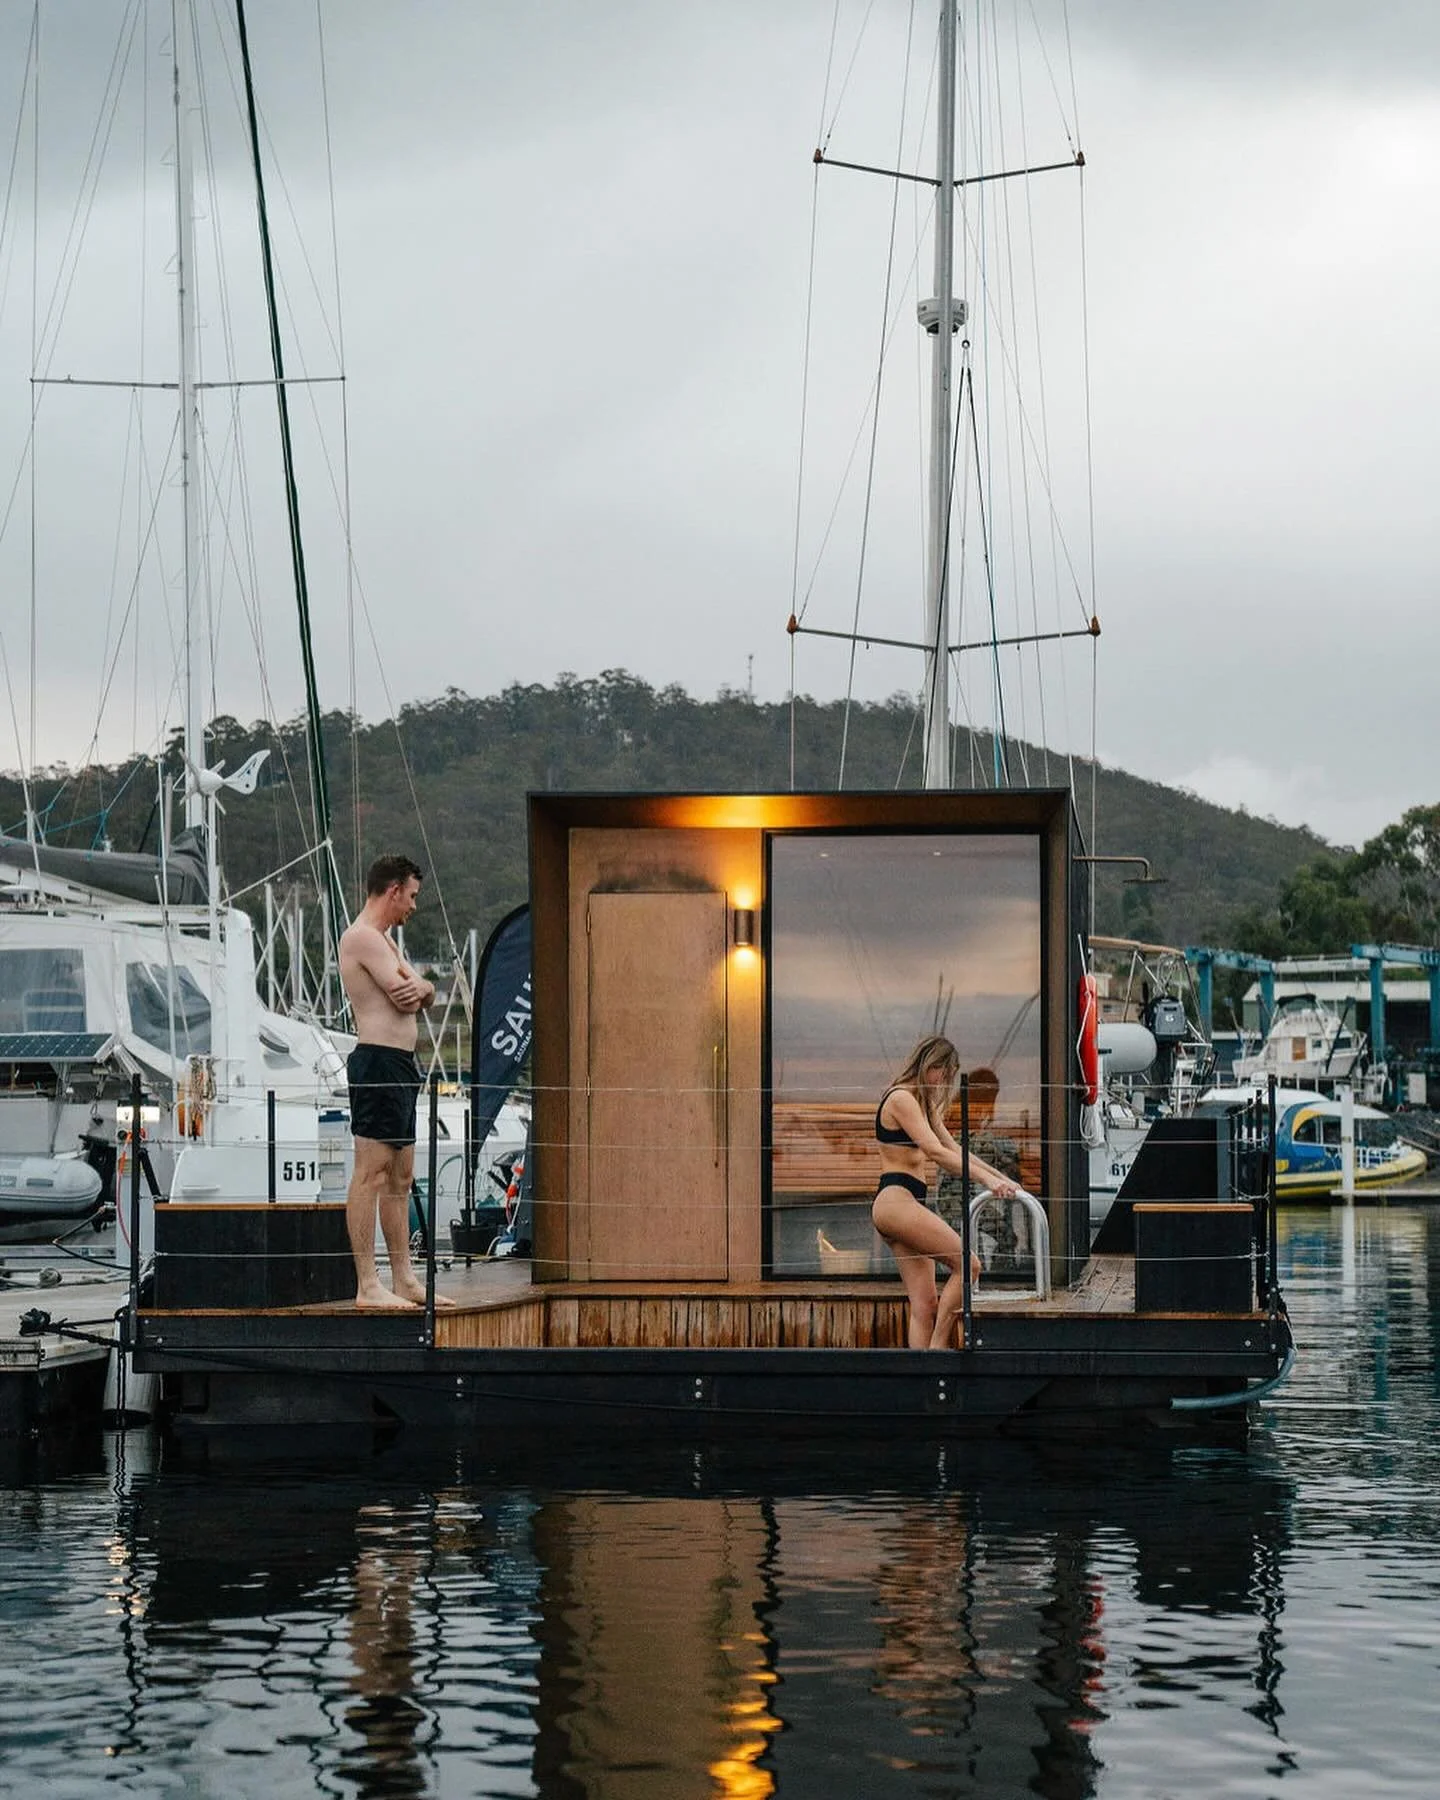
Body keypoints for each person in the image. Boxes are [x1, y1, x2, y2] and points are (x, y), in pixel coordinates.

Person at [338, 854, 453, 1311]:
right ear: (392, 891)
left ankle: (404, 1277)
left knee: (401, 1176)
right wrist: (421, 990)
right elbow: (406, 996)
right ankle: (368, 1282)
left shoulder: (385, 941)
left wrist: (424, 989)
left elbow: (423, 990)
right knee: (371, 1172)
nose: (414, 906)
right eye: (412, 896)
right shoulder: (362, 937)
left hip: (401, 1066)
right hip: (378, 1063)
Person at [872, 1034, 1019, 1351]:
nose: (944, 1083)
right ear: (932, 1065)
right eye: (945, 1075)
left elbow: (956, 1150)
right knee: (969, 1265)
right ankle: (938, 1351)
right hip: (896, 1203)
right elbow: (935, 1153)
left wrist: (1000, 1178)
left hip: (906, 1205)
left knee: (925, 1306)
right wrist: (987, 1181)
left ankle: (920, 1378)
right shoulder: (901, 1099)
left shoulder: (923, 1106)